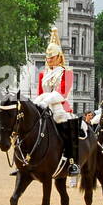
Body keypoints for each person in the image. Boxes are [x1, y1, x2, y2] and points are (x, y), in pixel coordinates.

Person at [34, 28, 79, 175]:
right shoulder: (43, 74)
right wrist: (37, 102)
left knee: (65, 126)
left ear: (59, 57)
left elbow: (62, 93)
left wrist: (45, 100)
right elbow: (40, 92)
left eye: (51, 58)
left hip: (59, 106)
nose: (49, 60)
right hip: (44, 103)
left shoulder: (67, 71)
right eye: (47, 58)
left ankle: (72, 161)